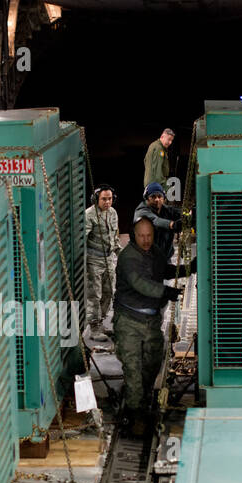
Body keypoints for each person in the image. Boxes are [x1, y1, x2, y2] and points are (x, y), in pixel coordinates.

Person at [113, 218, 182, 435]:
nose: (146, 240)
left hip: (151, 321)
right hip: (129, 321)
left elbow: (165, 271)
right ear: (134, 236)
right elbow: (140, 283)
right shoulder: (127, 258)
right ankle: (135, 416)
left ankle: (142, 401)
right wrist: (165, 292)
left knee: (152, 364)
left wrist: (188, 269)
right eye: (141, 236)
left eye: (149, 236)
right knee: (133, 369)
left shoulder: (155, 252)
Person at [83, 185, 120, 343]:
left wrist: (120, 254)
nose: (107, 202)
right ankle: (94, 328)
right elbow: (83, 238)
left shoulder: (113, 213)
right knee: (94, 295)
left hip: (109, 258)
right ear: (96, 199)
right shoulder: (89, 215)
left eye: (110, 198)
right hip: (94, 260)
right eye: (104, 199)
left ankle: (101, 322)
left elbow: (115, 236)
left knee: (108, 292)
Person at [132, 183, 193, 274]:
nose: (157, 199)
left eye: (160, 196)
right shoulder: (141, 212)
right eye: (153, 197)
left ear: (163, 198)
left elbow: (178, 212)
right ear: (147, 198)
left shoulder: (165, 210)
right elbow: (156, 221)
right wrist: (172, 225)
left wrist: (189, 214)